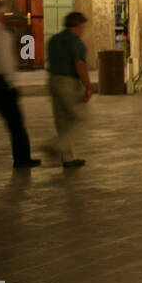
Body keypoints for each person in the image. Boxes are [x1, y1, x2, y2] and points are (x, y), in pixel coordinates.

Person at [0, 0, 41, 169]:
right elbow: (6, 62)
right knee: (15, 124)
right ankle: (22, 158)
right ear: (0, 16)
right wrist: (12, 84)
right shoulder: (1, 34)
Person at [46, 11, 92, 168]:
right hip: (68, 82)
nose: (83, 29)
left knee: (62, 121)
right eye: (83, 26)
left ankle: (68, 158)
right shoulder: (76, 42)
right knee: (81, 118)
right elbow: (80, 65)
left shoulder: (53, 40)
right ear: (77, 25)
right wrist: (88, 86)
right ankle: (57, 146)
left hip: (54, 80)